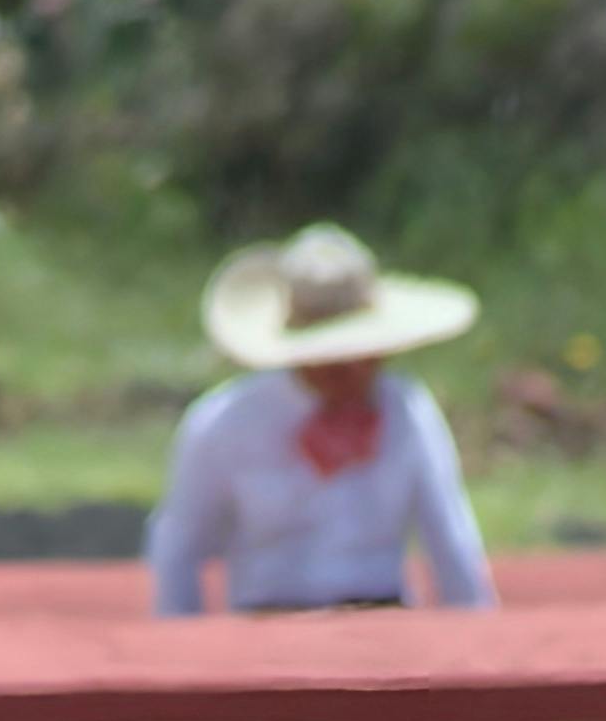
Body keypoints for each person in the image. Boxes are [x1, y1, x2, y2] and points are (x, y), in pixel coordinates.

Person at [148, 226, 496, 618]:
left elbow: (450, 536)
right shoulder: (223, 424)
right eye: (333, 356)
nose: (350, 368)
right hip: (265, 636)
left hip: (384, 631)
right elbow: (180, 546)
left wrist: (476, 637)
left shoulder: (409, 411)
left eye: (362, 352)